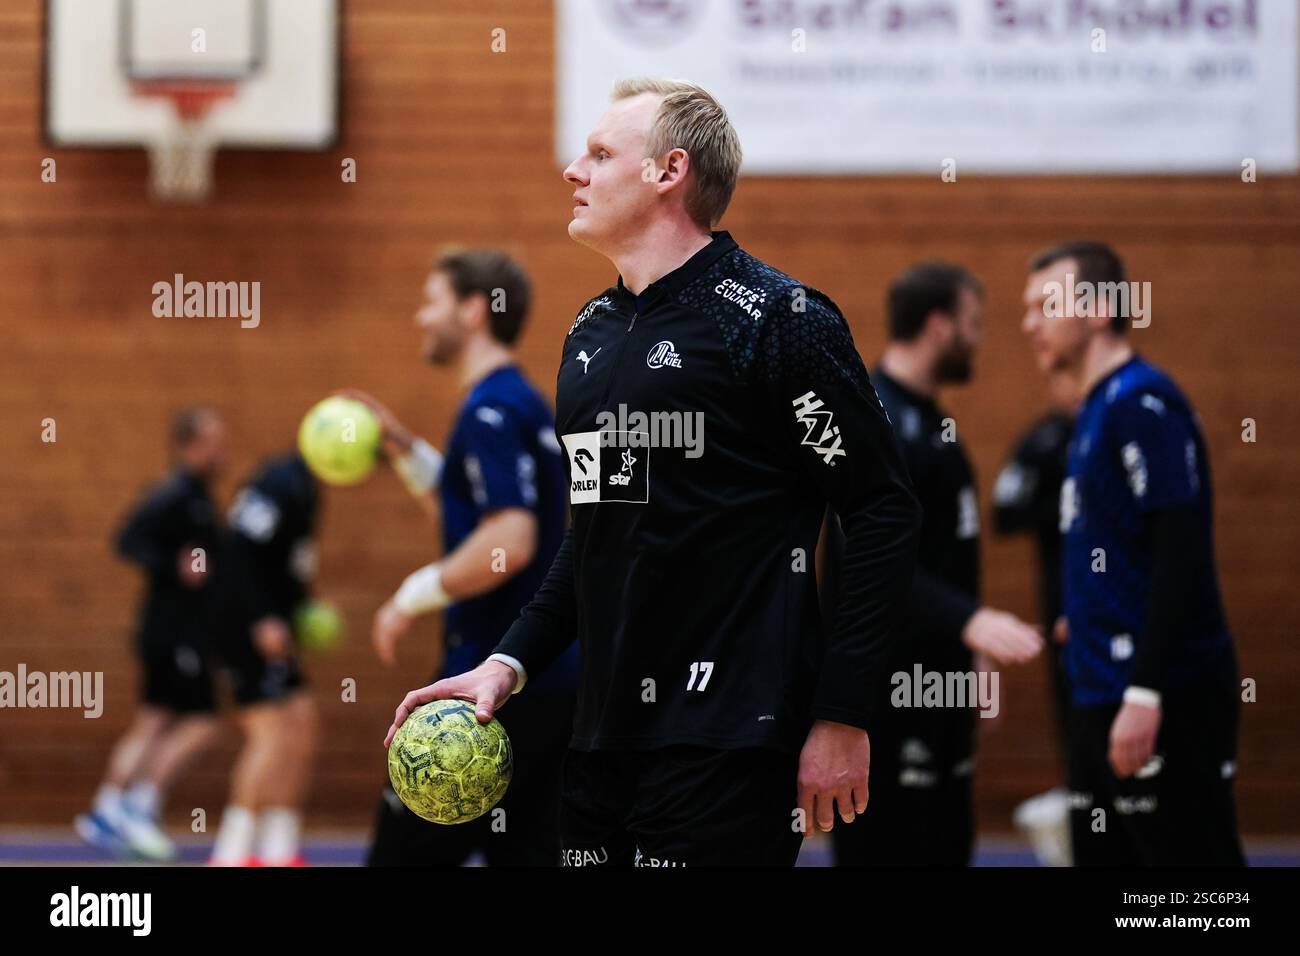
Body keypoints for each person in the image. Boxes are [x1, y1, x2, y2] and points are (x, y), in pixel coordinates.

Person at [385, 77, 921, 867]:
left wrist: (843, 711)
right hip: (600, 741)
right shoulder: (590, 334)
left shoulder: (780, 320)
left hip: (731, 738)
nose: (574, 170)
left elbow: (882, 512)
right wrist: (507, 664)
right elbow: (594, 531)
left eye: (599, 155)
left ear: (669, 172)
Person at [1021, 240, 1244, 866]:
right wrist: (1085, 616)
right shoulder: (1094, 411)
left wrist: (1146, 692)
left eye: (1044, 304)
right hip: (1097, 693)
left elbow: (1181, 550)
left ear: (1095, 310)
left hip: (1159, 696)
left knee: (1193, 893)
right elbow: (1123, 551)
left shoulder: (1144, 403)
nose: (1028, 322)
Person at [358, 247, 575, 866]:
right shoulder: (521, 403)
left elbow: (509, 540)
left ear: (474, 310)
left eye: (432, 301)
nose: (421, 318)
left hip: (484, 692)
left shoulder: (487, 411)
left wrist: (411, 596)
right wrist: (408, 452)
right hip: (548, 680)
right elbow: (477, 519)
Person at [826, 263, 1042, 867]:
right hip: (884, 689)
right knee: (894, 845)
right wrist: (969, 620)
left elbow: (945, 556)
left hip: (937, 680)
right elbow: (864, 558)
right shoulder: (874, 421)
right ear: (939, 325)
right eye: (973, 324)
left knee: (947, 841)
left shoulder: (933, 424)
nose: (979, 338)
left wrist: (964, 652)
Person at [76, 406, 227, 862]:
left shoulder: (199, 496)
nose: (221, 450)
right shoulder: (175, 494)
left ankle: (109, 808)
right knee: (199, 721)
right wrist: (174, 567)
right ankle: (136, 808)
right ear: (188, 445)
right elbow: (126, 539)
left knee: (156, 719)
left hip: (181, 631)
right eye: (212, 441)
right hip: (172, 631)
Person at [209, 452, 322, 866]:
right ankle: (232, 852)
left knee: (302, 726)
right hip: (243, 627)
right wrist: (261, 619)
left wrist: (302, 609)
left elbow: (287, 564)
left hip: (274, 627)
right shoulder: (278, 483)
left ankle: (278, 847)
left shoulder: (306, 487)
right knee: (270, 733)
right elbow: (237, 553)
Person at [994, 370, 1079, 866]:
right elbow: (1005, 510)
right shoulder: (1045, 441)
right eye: (1059, 379)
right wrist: (1066, 507)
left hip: (1118, 605)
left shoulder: (1114, 428)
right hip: (1062, 597)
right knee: (1073, 707)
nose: (1067, 387)